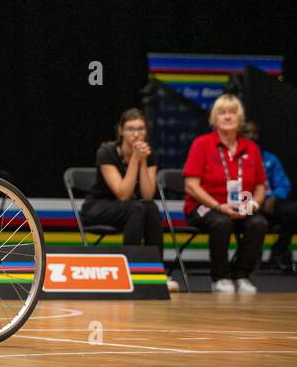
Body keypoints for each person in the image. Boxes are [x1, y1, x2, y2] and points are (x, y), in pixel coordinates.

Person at [183, 94, 268, 293]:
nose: (227, 117)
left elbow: (260, 186)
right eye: (222, 113)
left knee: (259, 223)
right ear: (214, 119)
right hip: (204, 207)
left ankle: (242, 275)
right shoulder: (202, 144)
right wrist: (218, 206)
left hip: (241, 206)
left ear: (240, 119)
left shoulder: (251, 148)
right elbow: (191, 186)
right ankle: (220, 277)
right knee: (221, 222)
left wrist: (252, 205)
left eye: (232, 112)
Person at [81, 108, 163, 248]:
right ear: (121, 131)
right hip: (99, 207)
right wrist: (135, 159)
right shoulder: (106, 152)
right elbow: (123, 194)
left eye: (141, 129)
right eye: (130, 129)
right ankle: (131, 263)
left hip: (129, 209)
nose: (136, 134)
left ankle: (155, 265)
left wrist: (142, 161)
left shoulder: (149, 154)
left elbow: (148, 195)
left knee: (151, 208)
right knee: (135, 208)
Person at [246, 121, 297, 273]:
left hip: (271, 202)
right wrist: (256, 201)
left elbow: (284, 185)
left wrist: (273, 197)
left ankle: (279, 251)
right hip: (247, 201)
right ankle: (251, 253)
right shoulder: (236, 158)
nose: (251, 136)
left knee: (293, 211)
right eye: (247, 132)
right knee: (249, 214)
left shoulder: (269, 159)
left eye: (254, 133)